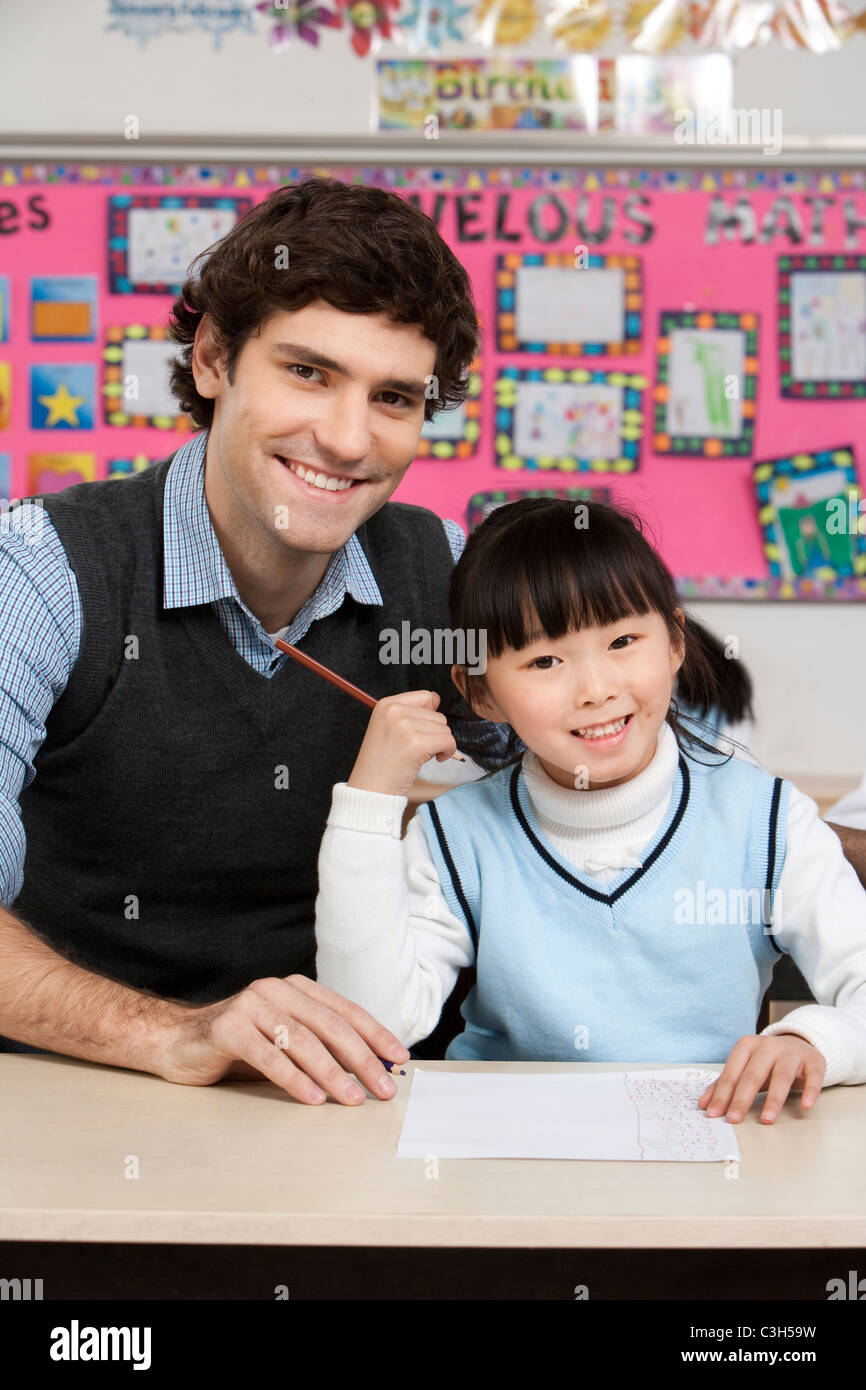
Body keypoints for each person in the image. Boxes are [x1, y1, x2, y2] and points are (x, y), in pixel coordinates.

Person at [0, 176, 514, 1104]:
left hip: (348, 1100)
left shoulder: (438, 573)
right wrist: (176, 1032)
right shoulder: (43, 569)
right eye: (307, 372)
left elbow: (617, 762)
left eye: (394, 397)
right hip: (77, 1095)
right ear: (211, 359)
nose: (348, 438)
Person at [315, 498, 866, 1124]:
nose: (596, 689)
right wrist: (368, 802)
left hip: (704, 1155)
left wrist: (812, 1039)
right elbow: (369, 1029)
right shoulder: (455, 836)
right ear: (482, 693)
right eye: (545, 661)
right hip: (502, 1166)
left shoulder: (768, 823)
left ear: (676, 643)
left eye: (624, 641)